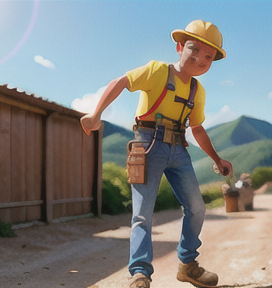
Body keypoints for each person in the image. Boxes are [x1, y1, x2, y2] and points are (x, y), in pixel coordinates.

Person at [80, 20, 232, 288]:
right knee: (142, 214)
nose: (200, 59)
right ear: (179, 47)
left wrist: (216, 159)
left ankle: (188, 265)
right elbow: (121, 82)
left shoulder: (198, 91)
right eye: (193, 49)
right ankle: (140, 273)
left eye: (208, 57)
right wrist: (96, 115)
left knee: (196, 207)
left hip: (179, 149)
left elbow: (196, 128)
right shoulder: (157, 71)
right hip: (148, 145)